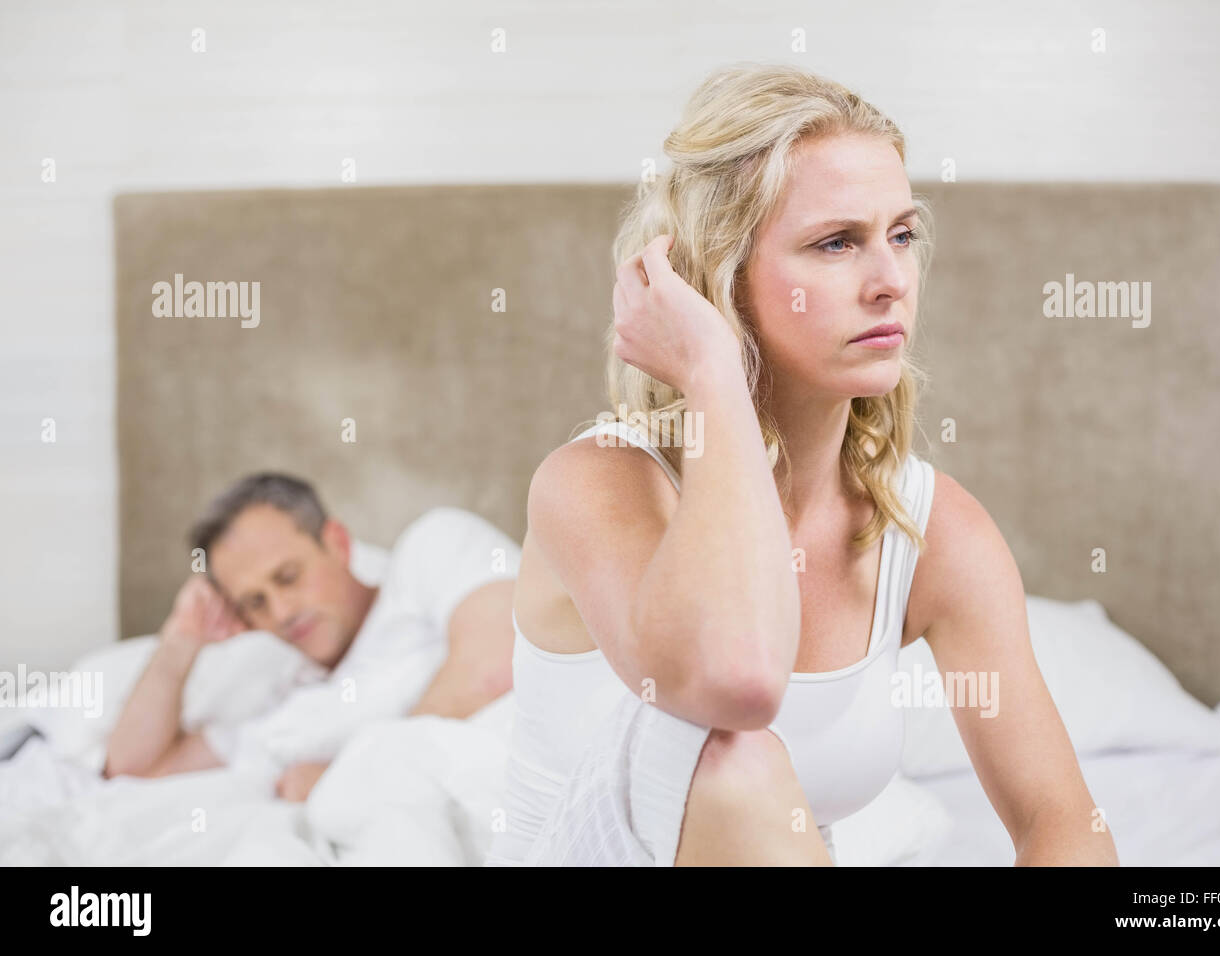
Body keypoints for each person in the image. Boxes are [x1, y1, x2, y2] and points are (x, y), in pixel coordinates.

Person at [486, 62, 1119, 866]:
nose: (891, 282)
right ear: (720, 279)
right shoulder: (597, 482)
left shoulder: (930, 530)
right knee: (732, 753)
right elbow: (736, 684)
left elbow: (1060, 821)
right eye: (836, 243)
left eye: (902, 235)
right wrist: (713, 373)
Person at [104, 473, 519, 802]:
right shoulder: (282, 695)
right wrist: (179, 641)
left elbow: (496, 667)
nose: (281, 612)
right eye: (254, 602)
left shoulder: (431, 552)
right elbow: (135, 770)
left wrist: (344, 780)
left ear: (336, 542)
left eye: (288, 577)